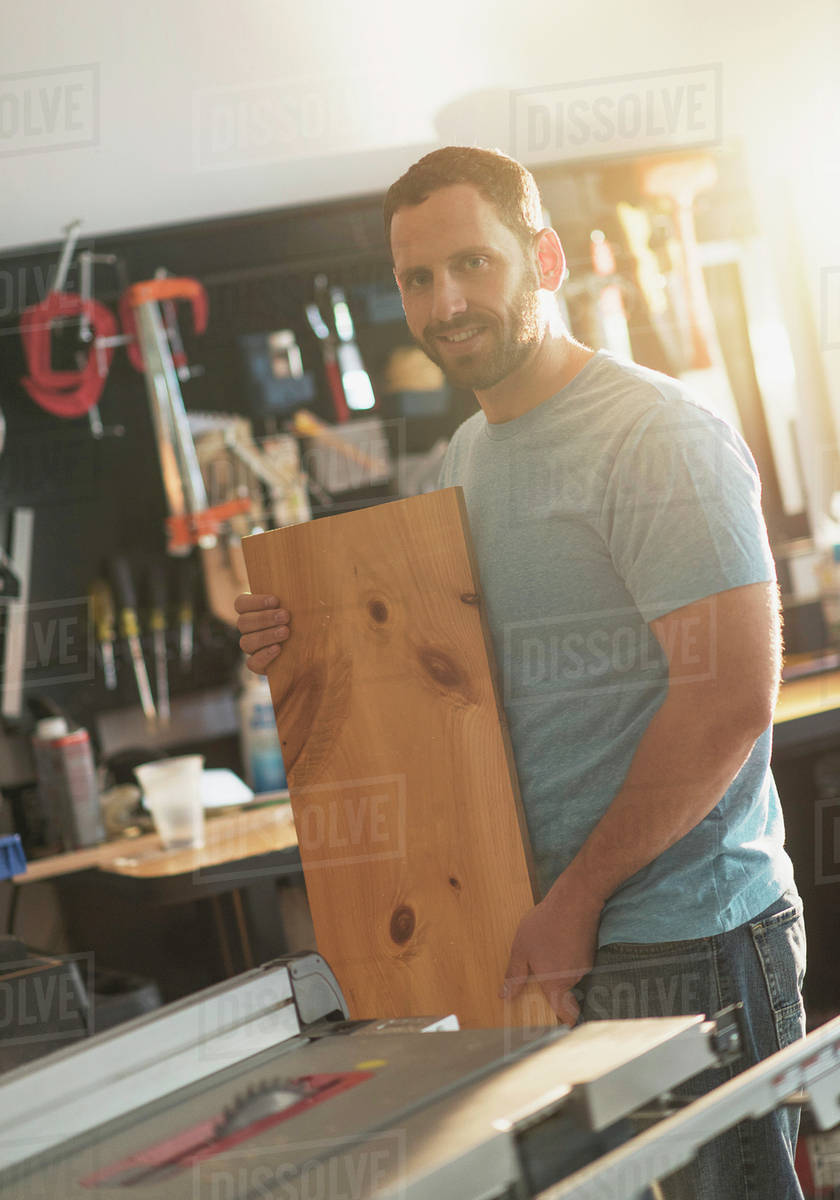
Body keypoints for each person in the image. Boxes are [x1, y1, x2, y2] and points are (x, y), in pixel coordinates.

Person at [235, 147, 805, 1200]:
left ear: (544, 259)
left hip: (687, 937)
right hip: (543, 941)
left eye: (473, 264)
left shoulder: (655, 435)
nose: (446, 303)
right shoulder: (468, 456)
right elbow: (446, 680)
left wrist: (576, 900)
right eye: (417, 278)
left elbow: (730, 698)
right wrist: (301, 638)